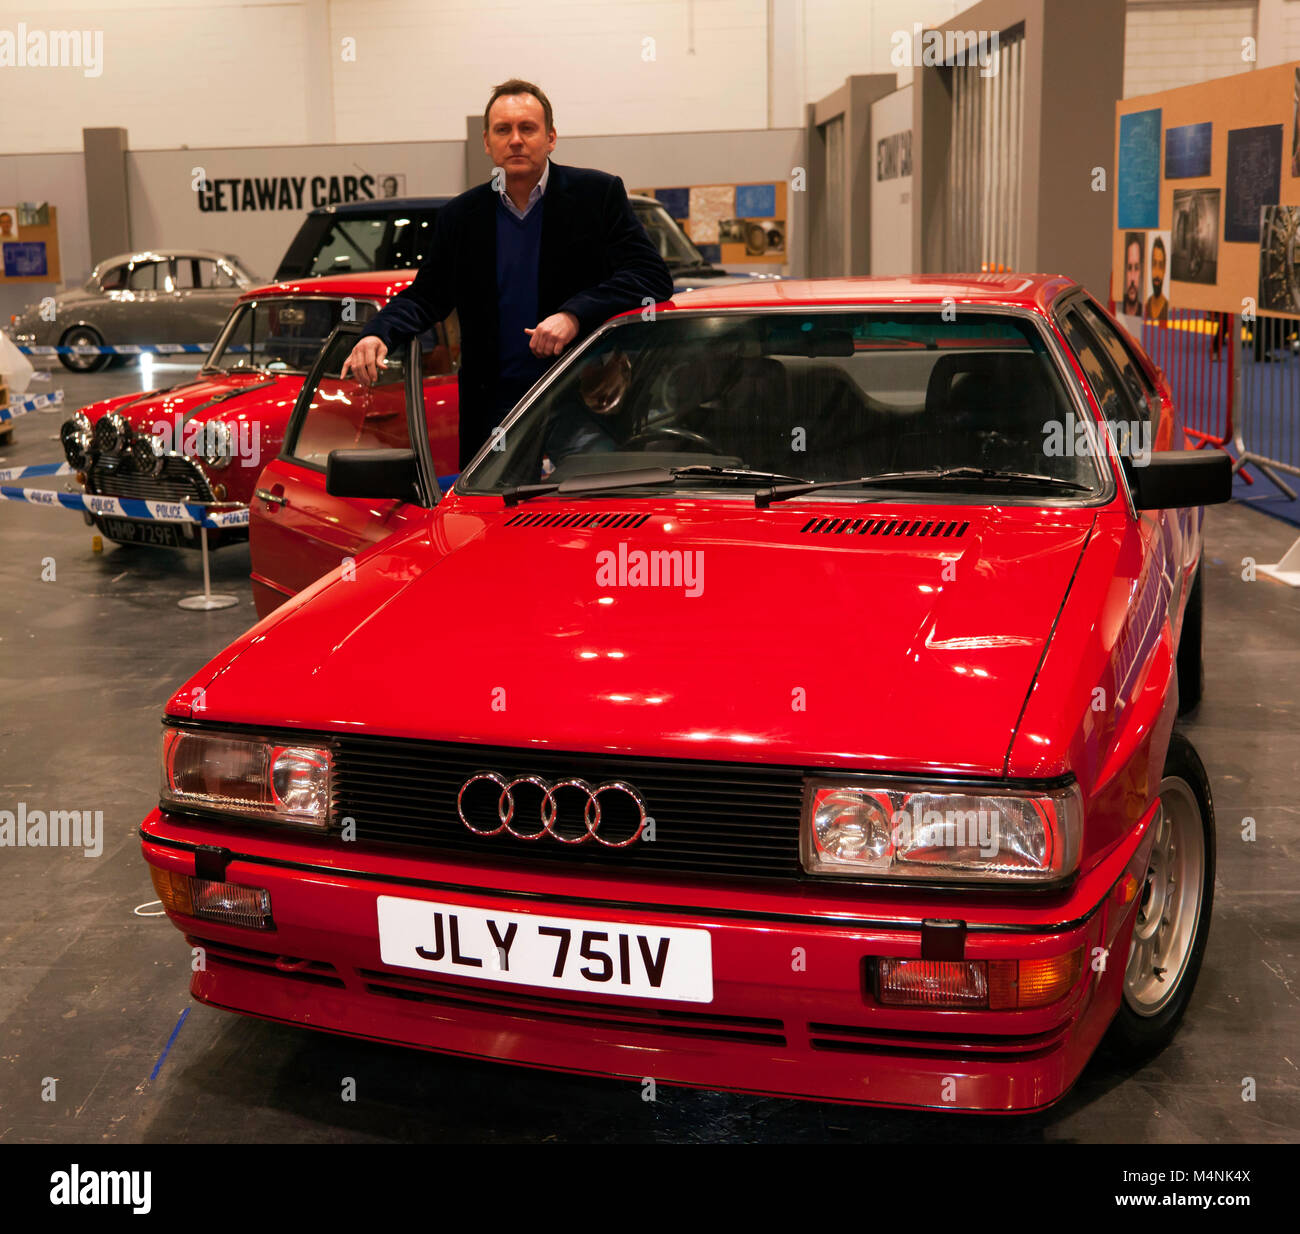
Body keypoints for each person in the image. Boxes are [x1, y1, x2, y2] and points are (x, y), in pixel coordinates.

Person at [343, 78, 674, 469]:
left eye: (527, 128)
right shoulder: (461, 216)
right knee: (493, 506)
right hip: (497, 409)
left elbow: (650, 276)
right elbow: (427, 295)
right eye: (503, 130)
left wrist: (574, 315)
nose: (515, 140)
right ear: (487, 142)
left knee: (597, 500)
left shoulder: (597, 196)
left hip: (579, 396)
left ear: (551, 138)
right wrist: (378, 333)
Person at [1145, 236, 1168, 323]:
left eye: (1161, 266)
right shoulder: (1145, 307)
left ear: (1164, 270)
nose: (1157, 273)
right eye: (1154, 264)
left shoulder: (1168, 311)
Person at [1122, 233, 1144, 317]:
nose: (1132, 278)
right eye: (1129, 268)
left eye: (1136, 268)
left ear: (1141, 271)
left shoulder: (1145, 314)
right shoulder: (1116, 310)